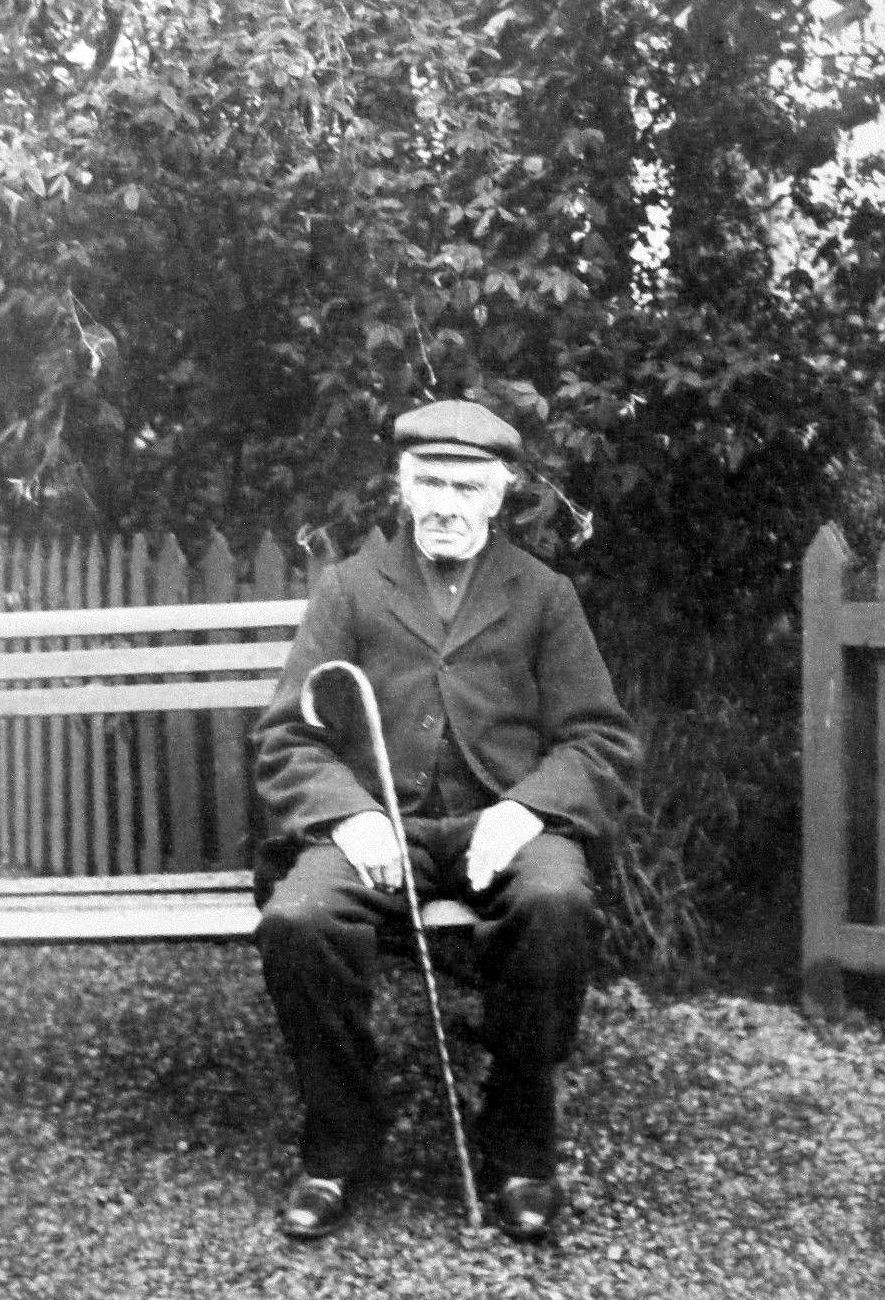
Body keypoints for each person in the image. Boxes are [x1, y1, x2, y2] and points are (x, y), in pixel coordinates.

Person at [252, 399, 641, 1242]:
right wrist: (349, 816)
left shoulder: (542, 595)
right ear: (401, 486)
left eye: (466, 487)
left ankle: (519, 1146)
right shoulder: (350, 589)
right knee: (297, 919)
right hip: (377, 830)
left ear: (500, 495)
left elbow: (598, 739)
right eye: (429, 482)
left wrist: (526, 810)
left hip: (501, 825)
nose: (445, 505)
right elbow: (287, 737)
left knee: (555, 903)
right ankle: (340, 1145)